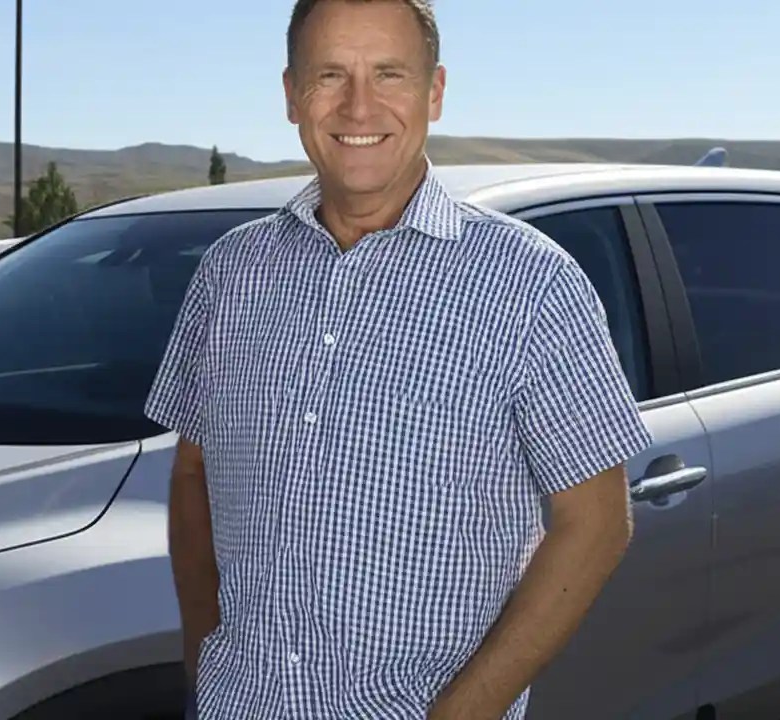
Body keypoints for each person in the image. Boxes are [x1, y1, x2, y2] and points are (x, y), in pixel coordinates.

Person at [144, 1, 653, 718]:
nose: (359, 104)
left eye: (389, 73)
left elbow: (597, 522)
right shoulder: (230, 274)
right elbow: (193, 470)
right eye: (330, 75)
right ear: (291, 94)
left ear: (434, 91)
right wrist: (208, 665)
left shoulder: (531, 284)